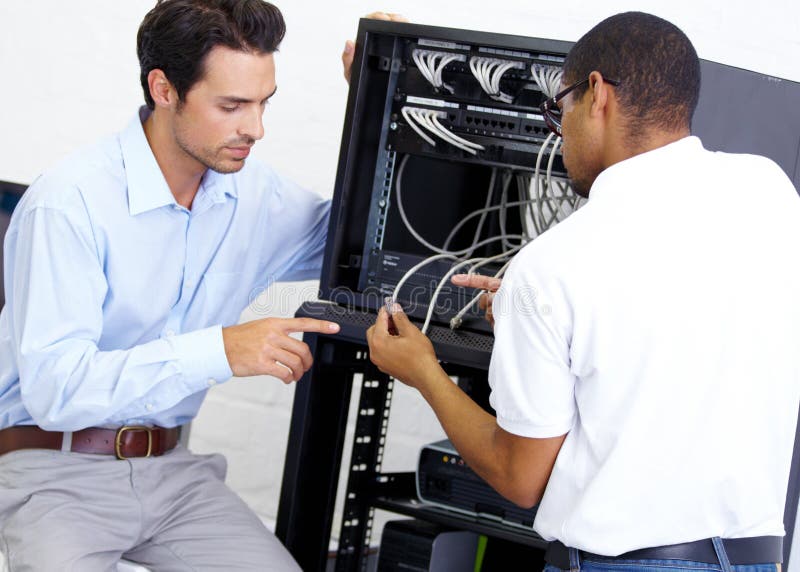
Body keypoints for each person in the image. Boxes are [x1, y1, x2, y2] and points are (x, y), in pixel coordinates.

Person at [368, 11, 800, 572]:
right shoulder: (768, 190)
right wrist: (546, 320)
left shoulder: (552, 266)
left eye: (559, 108)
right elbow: (679, 300)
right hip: (756, 560)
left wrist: (421, 368)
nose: (559, 130)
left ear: (596, 94)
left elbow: (519, 478)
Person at [0, 1, 405, 570]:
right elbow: (55, 389)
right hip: (53, 474)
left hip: (173, 475)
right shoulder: (69, 205)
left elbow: (359, 240)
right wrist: (221, 351)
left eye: (264, 104)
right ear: (164, 89)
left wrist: (382, 98)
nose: (256, 129)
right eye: (232, 105)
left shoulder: (252, 193)